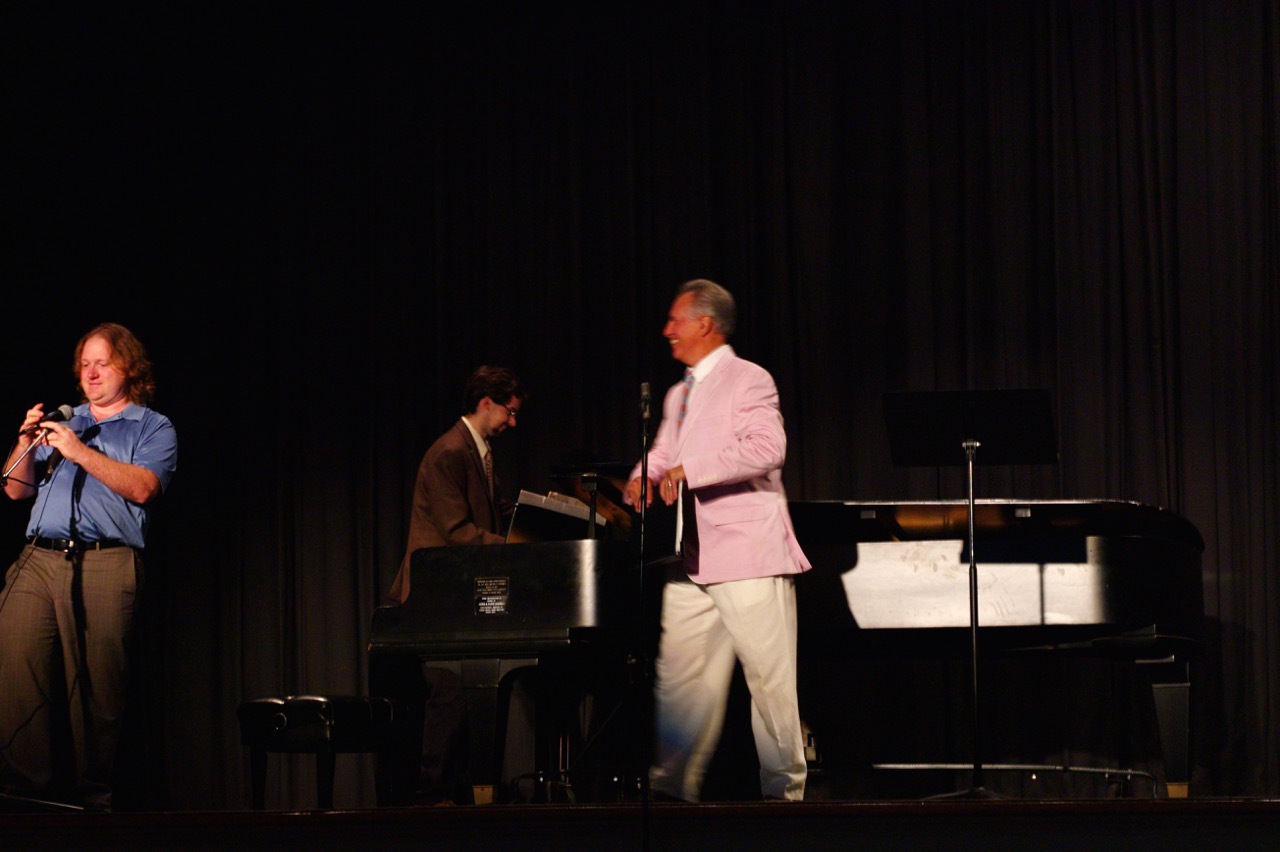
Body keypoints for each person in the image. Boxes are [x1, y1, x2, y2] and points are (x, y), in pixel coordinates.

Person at [624, 279, 810, 802]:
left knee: (769, 683)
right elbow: (664, 451)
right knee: (681, 679)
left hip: (747, 551)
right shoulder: (679, 392)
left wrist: (689, 470)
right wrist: (644, 473)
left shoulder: (748, 379)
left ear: (705, 323)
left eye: (675, 321)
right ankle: (671, 791)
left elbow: (768, 449)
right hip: (690, 555)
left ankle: (783, 796)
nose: (667, 331)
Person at [0, 322, 178, 811]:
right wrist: (24, 443)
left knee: (97, 689)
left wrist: (78, 451)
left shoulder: (152, 426)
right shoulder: (65, 419)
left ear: (129, 367)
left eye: (103, 362)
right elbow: (15, 489)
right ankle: (20, 795)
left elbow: (143, 488)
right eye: (85, 364)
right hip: (37, 559)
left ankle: (93, 801)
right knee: (18, 675)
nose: (92, 372)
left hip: (106, 562)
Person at [385, 365, 525, 805]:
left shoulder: (478, 452)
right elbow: (457, 531)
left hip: (458, 594)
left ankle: (464, 792)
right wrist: (516, 548)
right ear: (487, 403)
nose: (513, 422)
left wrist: (545, 517)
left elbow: (501, 511)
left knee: (468, 693)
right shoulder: (449, 452)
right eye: (510, 411)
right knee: (448, 693)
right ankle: (433, 795)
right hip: (434, 594)